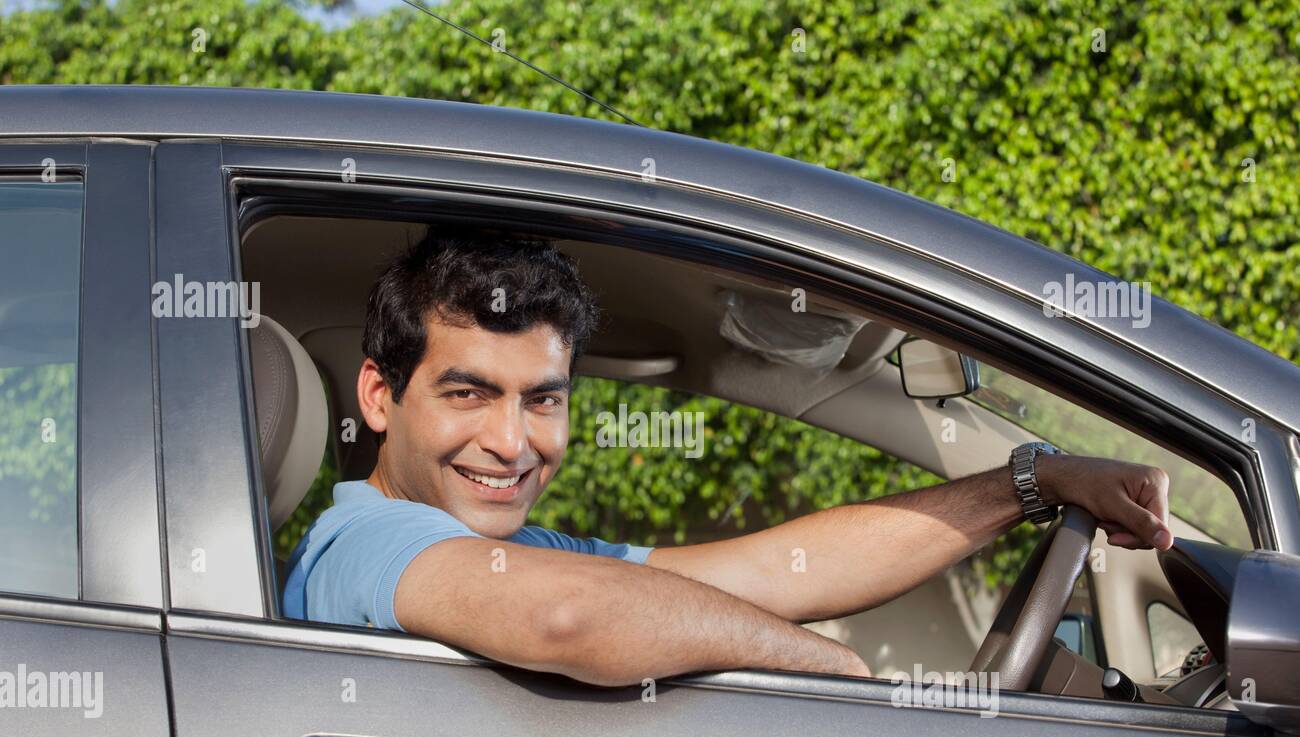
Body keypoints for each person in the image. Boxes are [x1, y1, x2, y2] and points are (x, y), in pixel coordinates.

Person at [283, 229, 1172, 686]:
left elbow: (769, 574)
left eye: (543, 399)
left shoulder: (520, 555)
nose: (513, 443)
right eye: (467, 393)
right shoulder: (361, 542)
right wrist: (828, 669)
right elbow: (567, 618)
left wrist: (1033, 482)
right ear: (378, 396)